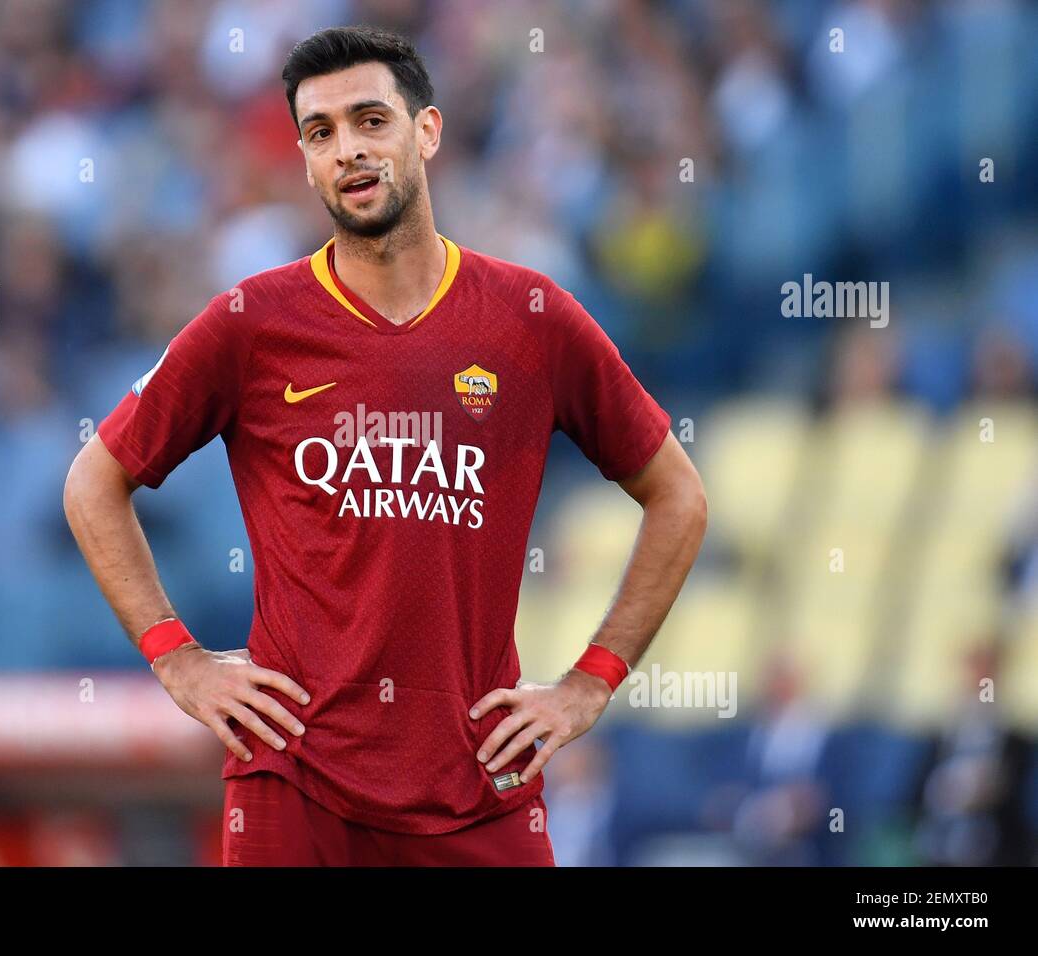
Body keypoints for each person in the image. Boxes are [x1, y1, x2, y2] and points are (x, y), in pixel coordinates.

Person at [63, 25, 707, 866]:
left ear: (427, 131)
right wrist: (177, 659)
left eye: (371, 120)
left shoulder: (531, 318)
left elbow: (679, 495)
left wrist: (591, 681)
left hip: (482, 786)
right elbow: (93, 480)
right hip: (293, 785)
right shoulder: (250, 324)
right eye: (320, 133)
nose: (348, 151)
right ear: (303, 159)